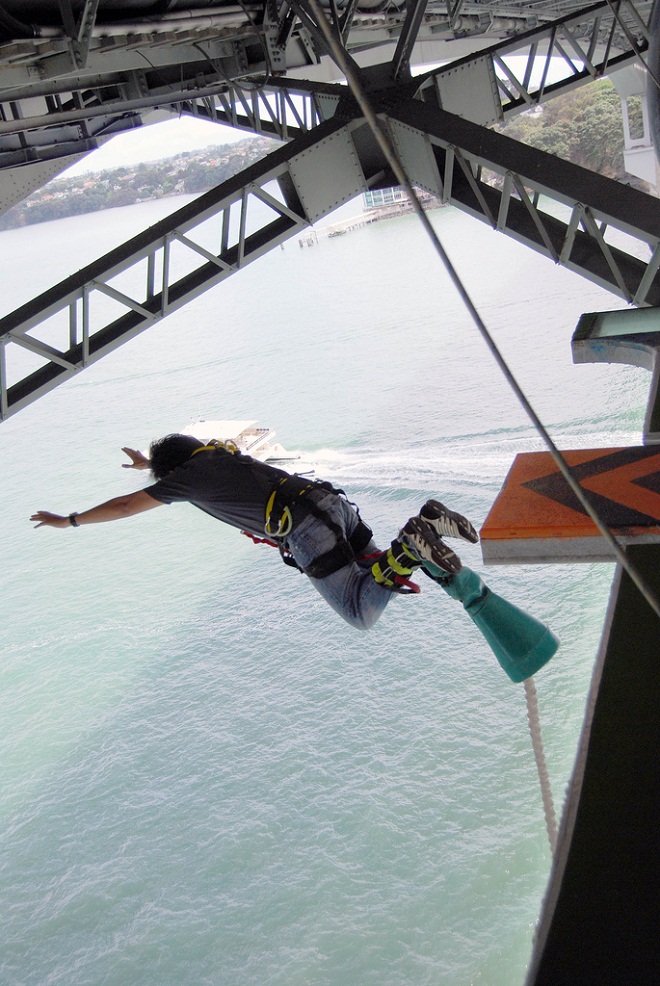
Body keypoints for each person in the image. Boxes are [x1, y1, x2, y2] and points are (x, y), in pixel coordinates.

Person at [30, 434, 479, 631]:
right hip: (332, 504)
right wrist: (150, 463)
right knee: (377, 571)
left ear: (173, 472)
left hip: (304, 529)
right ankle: (427, 524)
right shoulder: (217, 454)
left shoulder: (188, 480)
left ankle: (414, 540)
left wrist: (70, 520)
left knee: (360, 611)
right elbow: (185, 466)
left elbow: (127, 506)